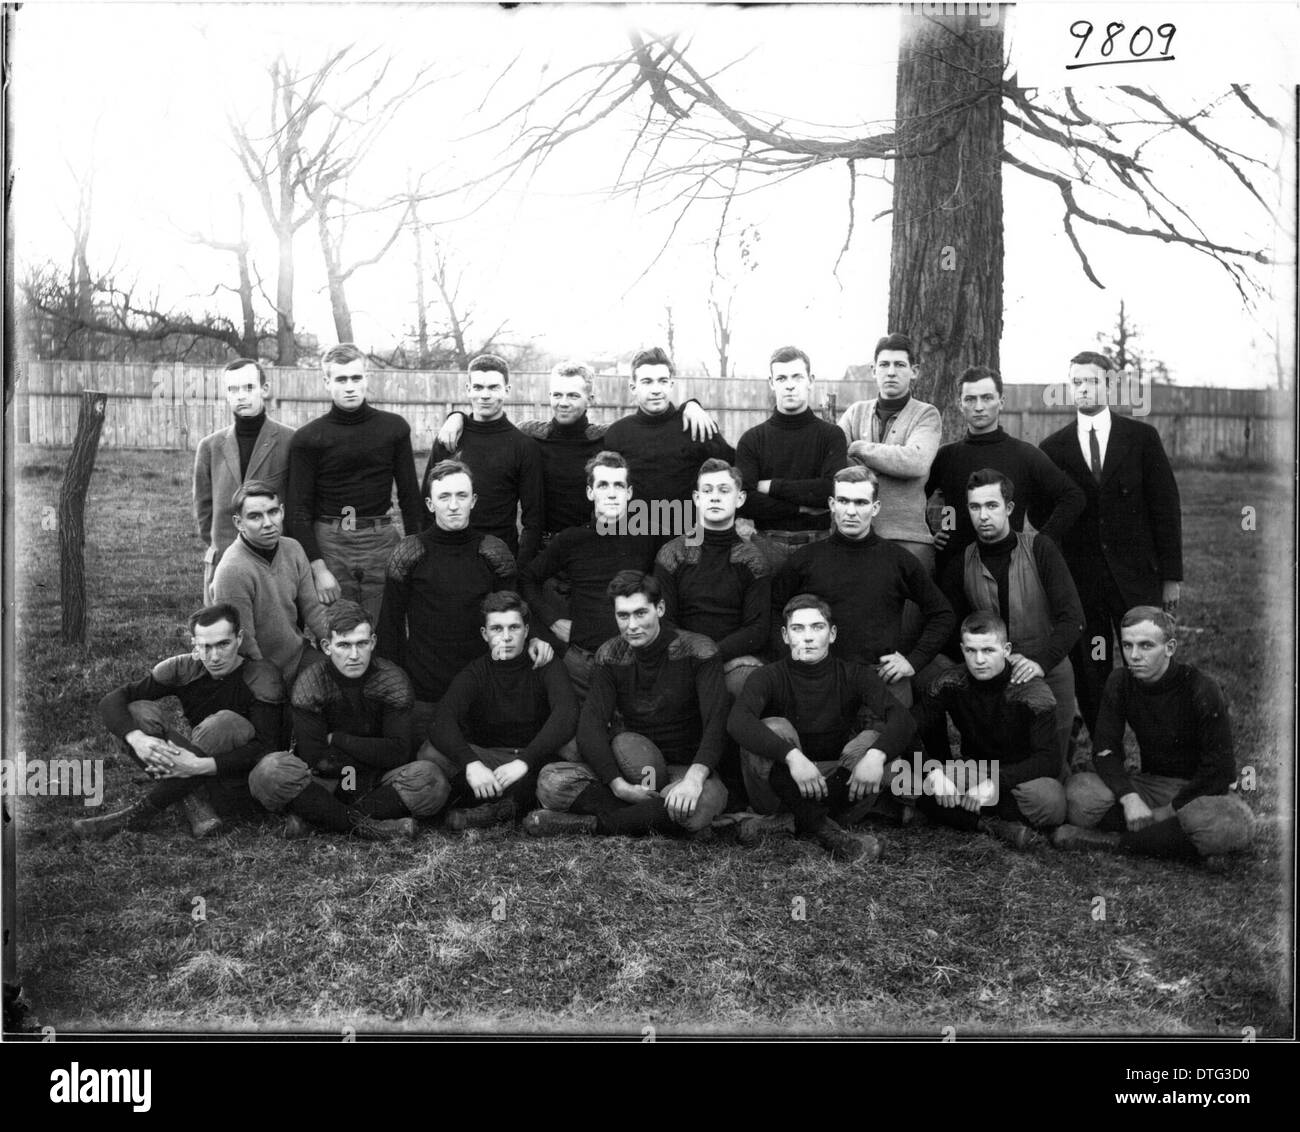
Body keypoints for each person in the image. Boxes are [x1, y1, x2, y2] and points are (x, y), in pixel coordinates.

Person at [1038, 351, 1183, 737]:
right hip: (1083, 583)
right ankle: (1105, 748)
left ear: (1110, 384)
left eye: (1092, 381)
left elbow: (1166, 508)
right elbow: (1043, 515)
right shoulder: (1054, 448)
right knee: (1092, 665)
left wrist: (1171, 578)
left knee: (1147, 660)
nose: (1084, 388)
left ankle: (1162, 744)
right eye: (1077, 382)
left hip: (1136, 577)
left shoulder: (1141, 438)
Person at [526, 571, 729, 839]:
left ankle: (593, 825)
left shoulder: (698, 650)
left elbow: (717, 721)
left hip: (683, 770)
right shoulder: (610, 654)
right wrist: (618, 785)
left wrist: (693, 780)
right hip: (633, 768)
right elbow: (591, 725)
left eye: (640, 613)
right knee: (551, 782)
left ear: (660, 608)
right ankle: (648, 816)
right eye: (623, 616)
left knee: (698, 805)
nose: (632, 625)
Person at [433, 360, 719, 548]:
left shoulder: (607, 437)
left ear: (590, 399)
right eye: (557, 395)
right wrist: (458, 415)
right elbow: (493, 430)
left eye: (573, 395)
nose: (564, 403)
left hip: (599, 539)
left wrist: (688, 406)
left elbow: (648, 426)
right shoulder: (531, 436)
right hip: (545, 542)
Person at [74, 604, 286, 841]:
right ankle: (196, 805)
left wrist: (197, 766)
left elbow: (266, 747)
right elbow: (112, 700)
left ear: (239, 639)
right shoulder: (184, 668)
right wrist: (138, 739)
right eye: (206, 646)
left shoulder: (261, 675)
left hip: (239, 782)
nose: (214, 656)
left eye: (223, 644)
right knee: (136, 712)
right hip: (193, 768)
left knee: (224, 723)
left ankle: (137, 814)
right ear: (194, 644)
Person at [727, 595, 916, 860]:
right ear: (785, 635)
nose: (807, 637)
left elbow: (902, 719)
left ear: (832, 634)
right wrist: (791, 757)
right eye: (798, 628)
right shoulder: (767, 676)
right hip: (777, 786)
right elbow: (738, 721)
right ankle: (831, 835)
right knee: (774, 727)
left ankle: (786, 822)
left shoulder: (854, 674)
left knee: (876, 741)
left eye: (817, 627)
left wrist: (876, 756)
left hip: (833, 785)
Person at [1055, 608, 1252, 860]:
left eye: (1146, 646)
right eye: (1127, 645)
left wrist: (1166, 812)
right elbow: (1105, 751)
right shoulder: (1120, 681)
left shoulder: (1202, 688)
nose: (1134, 656)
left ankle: (1113, 842)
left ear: (1169, 648)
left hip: (1199, 792)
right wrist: (1129, 797)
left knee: (1228, 825)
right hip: (1150, 784)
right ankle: (1174, 843)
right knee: (1078, 793)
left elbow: (1220, 772)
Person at [376, 459, 550, 743]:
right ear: (431, 504)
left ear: (474, 500)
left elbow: (514, 617)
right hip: (424, 690)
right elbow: (390, 625)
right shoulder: (408, 553)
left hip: (482, 688)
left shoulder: (493, 552)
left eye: (461, 496)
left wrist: (535, 639)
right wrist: (395, 686)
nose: (454, 505)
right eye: (444, 497)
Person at [248, 601, 447, 840]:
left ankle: (319, 818)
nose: (354, 655)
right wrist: (357, 764)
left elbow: (399, 752)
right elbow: (315, 756)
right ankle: (368, 827)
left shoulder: (392, 679)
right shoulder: (310, 683)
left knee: (432, 779)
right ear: (327, 646)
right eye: (343, 645)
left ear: (372, 642)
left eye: (361, 644)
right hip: (327, 779)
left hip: (380, 780)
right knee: (268, 772)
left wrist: (339, 739)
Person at [935, 469, 1083, 766]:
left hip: (1046, 666)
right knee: (1001, 761)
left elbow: (1073, 618)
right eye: (975, 507)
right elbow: (945, 621)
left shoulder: (1041, 548)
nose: (983, 516)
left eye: (992, 506)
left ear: (1010, 508)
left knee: (1053, 772)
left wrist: (1040, 662)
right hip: (992, 673)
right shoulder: (962, 561)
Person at [773, 465, 953, 707]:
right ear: (831, 504)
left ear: (875, 507)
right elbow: (772, 610)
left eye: (860, 502)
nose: (850, 511)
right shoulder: (805, 560)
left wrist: (913, 661)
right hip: (820, 678)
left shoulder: (898, 560)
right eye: (843, 501)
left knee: (900, 742)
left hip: (881, 678)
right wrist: (793, 660)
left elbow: (943, 614)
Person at [286, 343, 425, 626]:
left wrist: (415, 548)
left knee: (385, 626)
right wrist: (318, 567)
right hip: (331, 541)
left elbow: (410, 495)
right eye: (340, 379)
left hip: (380, 539)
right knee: (337, 628)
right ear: (327, 382)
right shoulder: (309, 438)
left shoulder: (393, 428)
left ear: (366, 378)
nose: (350, 387)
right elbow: (298, 509)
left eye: (356, 378)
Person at [423, 592, 578, 831]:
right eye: (497, 629)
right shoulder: (475, 673)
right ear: (485, 634)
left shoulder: (545, 663)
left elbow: (566, 714)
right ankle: (512, 804)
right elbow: (441, 720)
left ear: (526, 631)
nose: (506, 637)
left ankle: (501, 806)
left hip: (537, 757)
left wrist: (525, 761)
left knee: (575, 748)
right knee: (430, 752)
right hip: (493, 762)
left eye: (514, 627)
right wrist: (471, 764)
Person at [916, 612, 1068, 848]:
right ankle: (989, 823)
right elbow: (910, 727)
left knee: (1052, 803)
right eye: (971, 650)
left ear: (1006, 649)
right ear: (962, 648)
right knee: (902, 777)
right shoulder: (949, 681)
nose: (979, 660)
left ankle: (946, 811)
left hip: (1020, 776)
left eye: (988, 650)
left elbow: (1049, 760)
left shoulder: (1032, 691)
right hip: (974, 769)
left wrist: (996, 783)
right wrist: (933, 771)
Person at [519, 452, 659, 697]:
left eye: (618, 485)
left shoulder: (648, 538)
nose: (612, 493)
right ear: (590, 492)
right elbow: (527, 578)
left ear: (628, 493)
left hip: (636, 661)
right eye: (603, 485)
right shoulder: (572, 540)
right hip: (583, 664)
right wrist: (552, 620)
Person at [926, 365, 1084, 577]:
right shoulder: (946, 456)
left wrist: (1042, 541)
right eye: (970, 399)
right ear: (960, 404)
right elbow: (917, 496)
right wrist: (928, 533)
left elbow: (1073, 496)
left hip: (1009, 570)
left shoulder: (1024, 454)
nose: (979, 407)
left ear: (1001, 402)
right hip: (953, 569)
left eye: (987, 398)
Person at [654, 459, 769, 698]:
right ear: (697, 498)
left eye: (724, 490)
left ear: (740, 499)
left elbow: (757, 628)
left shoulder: (752, 559)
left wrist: (714, 655)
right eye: (707, 491)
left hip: (730, 661)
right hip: (682, 659)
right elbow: (665, 622)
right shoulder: (673, 553)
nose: (715, 497)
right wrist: (699, 656)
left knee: (746, 681)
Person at [601, 346, 734, 543]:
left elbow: (734, 471)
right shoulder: (618, 433)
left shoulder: (696, 425)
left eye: (662, 381)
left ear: (671, 384)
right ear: (633, 387)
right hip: (635, 538)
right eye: (647, 382)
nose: (656, 389)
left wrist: (691, 404)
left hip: (689, 540)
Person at [422, 353, 544, 566]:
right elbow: (426, 502)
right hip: (448, 553)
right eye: (478, 387)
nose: (485, 395)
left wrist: (521, 567)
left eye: (493, 387)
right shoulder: (449, 438)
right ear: (468, 389)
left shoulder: (523, 446)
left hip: (499, 556)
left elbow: (534, 519)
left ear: (507, 391)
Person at [735, 345, 848, 572]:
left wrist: (772, 486)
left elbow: (829, 489)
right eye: (782, 378)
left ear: (810, 380)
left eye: (797, 376)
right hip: (765, 547)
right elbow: (745, 502)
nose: (789, 385)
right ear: (771, 382)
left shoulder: (831, 435)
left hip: (819, 546)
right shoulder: (752, 439)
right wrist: (800, 509)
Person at [837, 333, 942, 572]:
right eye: (884, 365)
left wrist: (858, 448)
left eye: (899, 365)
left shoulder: (926, 414)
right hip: (856, 537)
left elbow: (915, 462)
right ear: (874, 370)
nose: (891, 372)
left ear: (914, 371)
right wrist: (892, 459)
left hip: (908, 540)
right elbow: (836, 461)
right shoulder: (855, 413)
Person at [193, 359, 295, 602]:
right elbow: (203, 511)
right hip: (226, 558)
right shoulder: (210, 447)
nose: (241, 396)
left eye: (249, 387)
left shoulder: (290, 440)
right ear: (226, 395)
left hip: (274, 560)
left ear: (265, 389)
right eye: (233, 389)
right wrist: (223, 545)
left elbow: (298, 504)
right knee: (227, 629)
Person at [211, 480, 328, 686]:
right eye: (255, 516)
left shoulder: (293, 548)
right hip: (257, 665)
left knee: (336, 682)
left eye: (273, 512)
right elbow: (244, 642)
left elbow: (313, 609)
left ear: (282, 511)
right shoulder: (232, 570)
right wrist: (272, 680)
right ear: (239, 523)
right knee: (295, 707)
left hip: (297, 653)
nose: (268, 523)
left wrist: (336, 646)